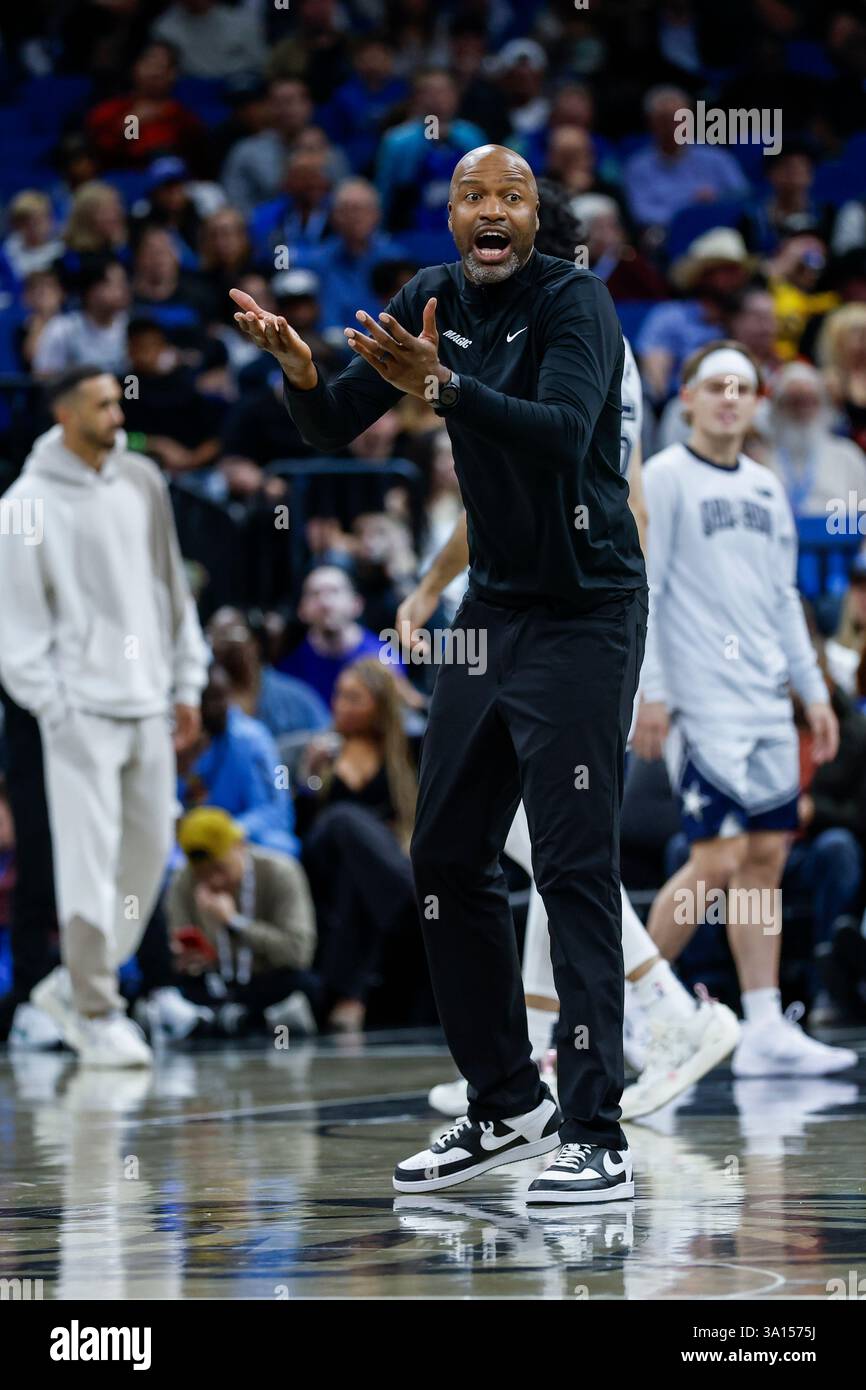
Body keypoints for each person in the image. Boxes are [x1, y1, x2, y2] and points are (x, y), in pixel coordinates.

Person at [231, 143, 648, 1205]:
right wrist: (295, 372)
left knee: (569, 868)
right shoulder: (426, 297)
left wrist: (448, 387)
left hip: (585, 610)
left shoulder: (576, 306)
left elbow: (559, 435)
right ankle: (506, 1101)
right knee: (446, 855)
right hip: (494, 607)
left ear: (533, 217)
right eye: (471, 196)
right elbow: (333, 422)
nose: (490, 210)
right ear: (452, 218)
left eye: (510, 195)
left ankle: (594, 1127)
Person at [398, 185, 739, 1124]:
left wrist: (638, 654)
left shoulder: (569, 338)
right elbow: (541, 493)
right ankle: (541, 1054)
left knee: (551, 848)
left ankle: (661, 1017)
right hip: (570, 602)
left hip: (586, 615)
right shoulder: (592, 340)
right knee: (537, 848)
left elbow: (596, 493)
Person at [632, 339, 858, 1077]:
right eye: (714, 386)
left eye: (741, 387)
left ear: (754, 403)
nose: (729, 398)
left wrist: (814, 694)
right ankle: (636, 1004)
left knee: (764, 859)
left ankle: (762, 1023)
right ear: (688, 398)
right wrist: (653, 691)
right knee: (714, 857)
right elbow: (648, 591)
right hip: (701, 701)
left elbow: (785, 599)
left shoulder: (764, 487)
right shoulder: (663, 479)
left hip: (765, 700)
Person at [0, 366, 208, 1066]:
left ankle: (63, 990)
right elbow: (16, 628)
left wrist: (186, 682)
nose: (115, 412)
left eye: (116, 400)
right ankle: (94, 1007)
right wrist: (55, 709)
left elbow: (170, 586)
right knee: (85, 865)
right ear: (63, 415)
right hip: (78, 712)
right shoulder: (23, 504)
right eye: (99, 403)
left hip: (148, 700)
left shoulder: (141, 480)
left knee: (147, 858)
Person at [299, 659, 418, 1033]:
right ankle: (415, 898)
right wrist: (311, 780)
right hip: (323, 857)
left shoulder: (404, 754)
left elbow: (456, 728)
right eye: (339, 695)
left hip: (369, 873)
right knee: (346, 819)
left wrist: (414, 699)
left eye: (354, 698)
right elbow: (302, 825)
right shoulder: (324, 754)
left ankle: (350, 998)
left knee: (360, 869)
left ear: (379, 707)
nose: (340, 705)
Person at [168, 807, 317, 1037]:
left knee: (306, 986)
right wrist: (192, 955)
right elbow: (181, 952)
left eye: (219, 868)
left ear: (240, 846)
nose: (214, 880)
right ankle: (236, 1019)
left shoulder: (281, 872)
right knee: (172, 988)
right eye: (202, 874)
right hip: (217, 985)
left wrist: (235, 922)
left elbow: (298, 953)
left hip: (268, 980)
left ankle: (234, 1019)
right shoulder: (183, 881)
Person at [179, 665, 299, 858]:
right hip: (187, 842)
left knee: (280, 847)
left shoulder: (255, 739)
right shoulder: (176, 741)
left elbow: (279, 811)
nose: (216, 707)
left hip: (243, 838)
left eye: (222, 697)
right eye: (207, 699)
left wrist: (227, 832)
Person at [277, 565, 402, 706]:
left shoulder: (384, 658)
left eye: (334, 592)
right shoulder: (291, 666)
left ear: (357, 604)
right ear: (302, 610)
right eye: (315, 594)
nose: (325, 603)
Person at [206, 607, 330, 739]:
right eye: (221, 640)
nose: (229, 647)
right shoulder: (204, 702)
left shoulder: (296, 699)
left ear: (254, 644)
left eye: (236, 637)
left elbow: (328, 739)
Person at [32, 257, 130, 378]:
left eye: (123, 283)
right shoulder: (63, 329)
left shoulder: (133, 326)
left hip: (126, 395)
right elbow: (42, 377)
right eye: (113, 284)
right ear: (91, 290)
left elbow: (140, 380)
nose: (122, 290)